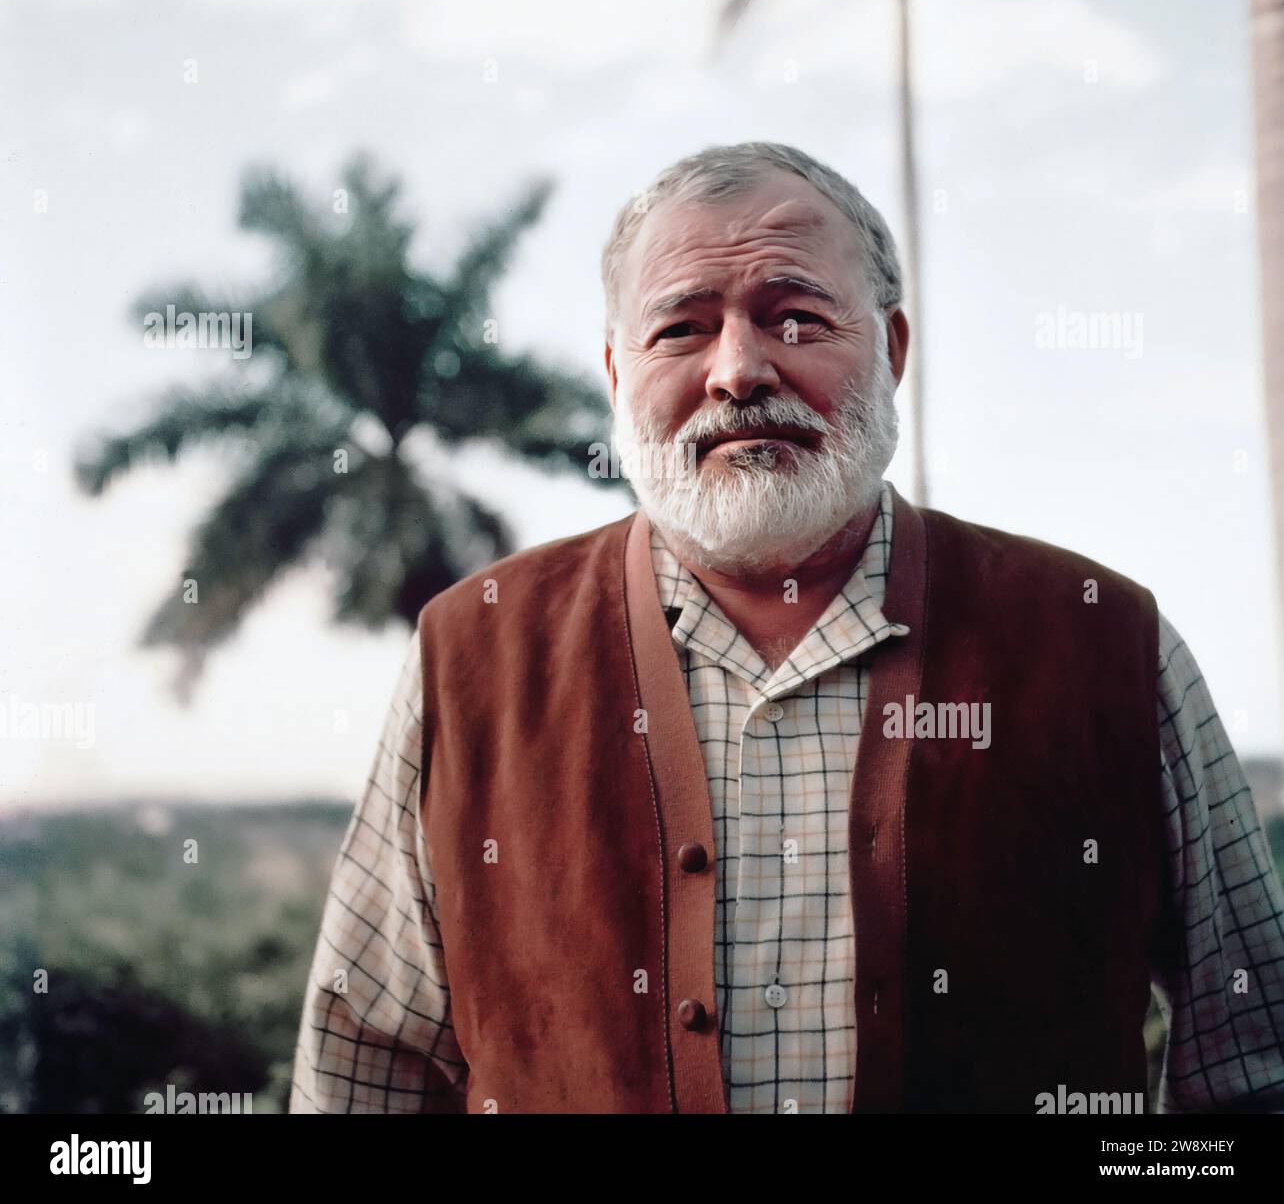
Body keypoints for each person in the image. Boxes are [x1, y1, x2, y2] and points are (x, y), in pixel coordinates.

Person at [290, 140, 1284, 1114]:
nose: (738, 371)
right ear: (615, 376)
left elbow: (1252, 1058)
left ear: (891, 350)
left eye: (797, 317)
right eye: (680, 329)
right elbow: (365, 1072)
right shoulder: (471, 658)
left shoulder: (1101, 641)